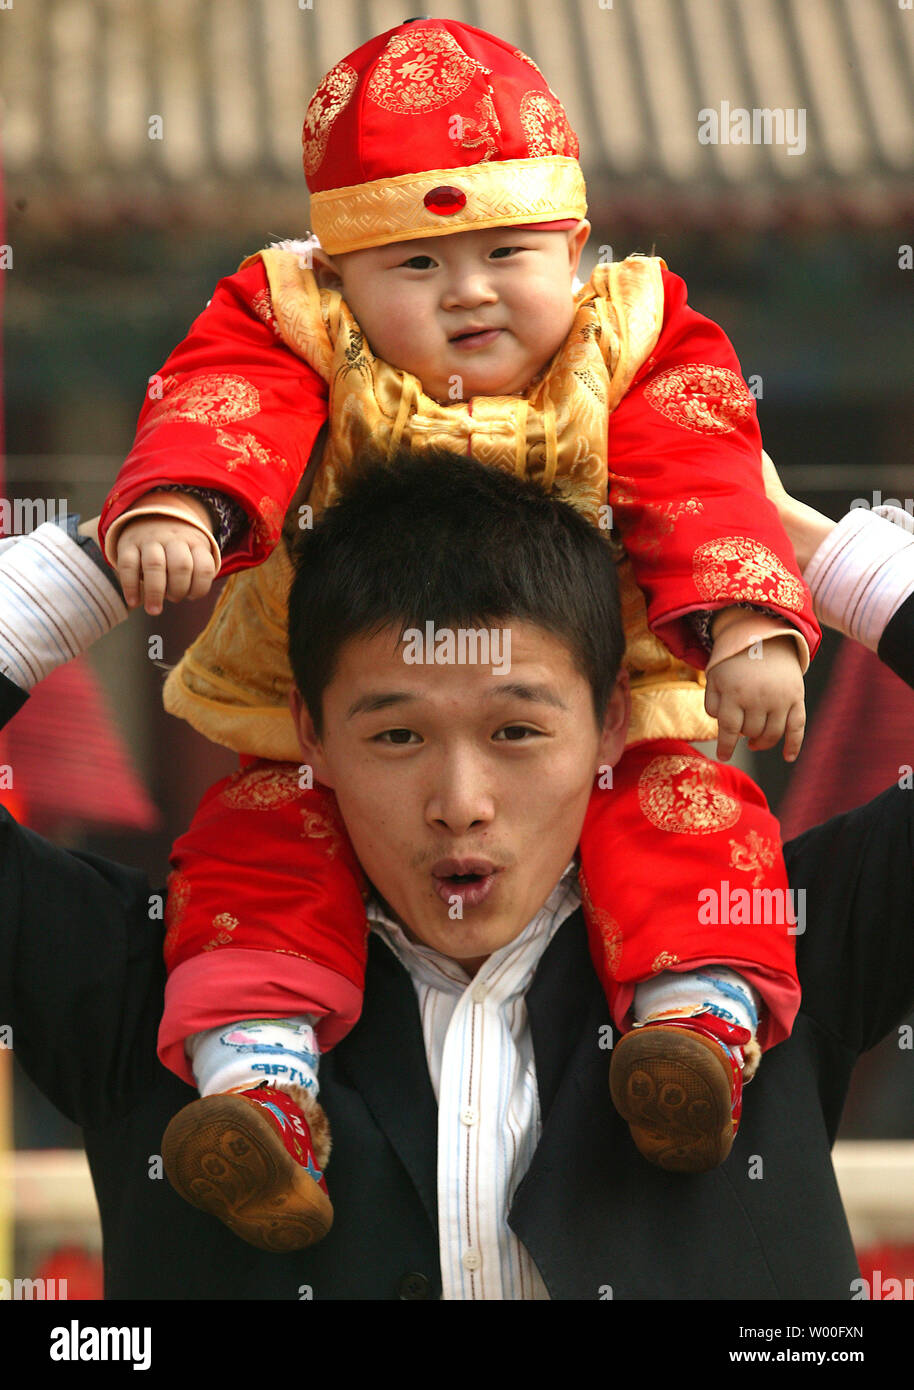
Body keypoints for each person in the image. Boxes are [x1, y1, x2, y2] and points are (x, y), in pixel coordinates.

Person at [86, 18, 823, 1239]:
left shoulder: (628, 341)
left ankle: (696, 1025)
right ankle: (259, 1088)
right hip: (309, 700)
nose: (467, 290)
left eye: (504, 251)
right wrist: (177, 503)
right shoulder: (299, 328)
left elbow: (699, 472)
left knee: (694, 822)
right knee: (254, 859)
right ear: (338, 277)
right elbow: (226, 402)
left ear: (574, 250)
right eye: (414, 267)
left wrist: (751, 615)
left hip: (611, 688)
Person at [0, 450, 912, 1298]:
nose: (460, 801)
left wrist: (786, 547)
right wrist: (137, 537)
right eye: (397, 736)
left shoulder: (762, 928)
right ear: (308, 732)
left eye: (517, 731)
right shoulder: (162, 972)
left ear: (610, 724)